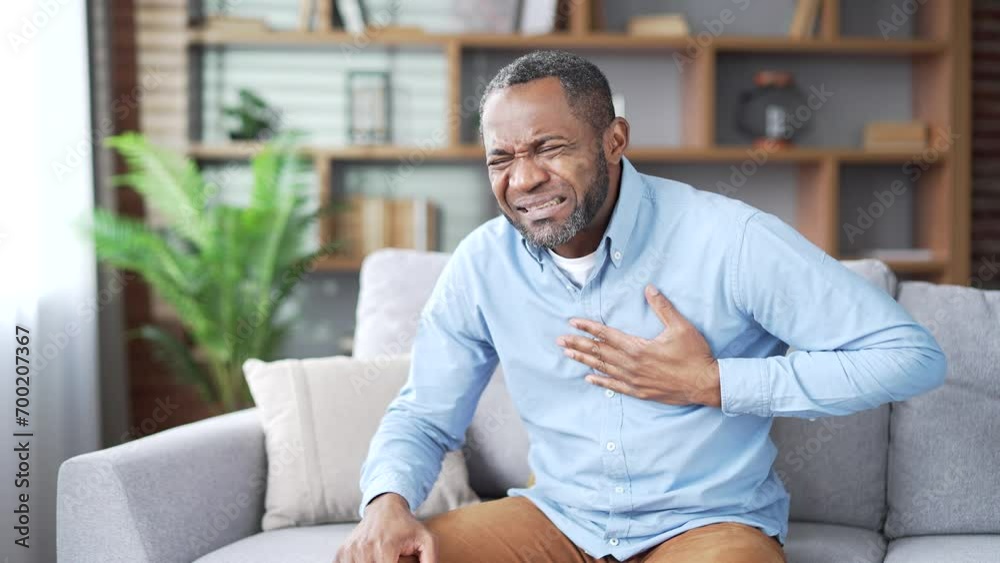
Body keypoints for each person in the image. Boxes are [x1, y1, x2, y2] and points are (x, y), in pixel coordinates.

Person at [335, 50, 947, 563]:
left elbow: (909, 357)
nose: (522, 180)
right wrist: (385, 500)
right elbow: (423, 416)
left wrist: (716, 383)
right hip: (558, 521)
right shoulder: (482, 264)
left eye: (548, 148)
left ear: (614, 141)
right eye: (501, 158)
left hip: (708, 528)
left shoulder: (730, 240)